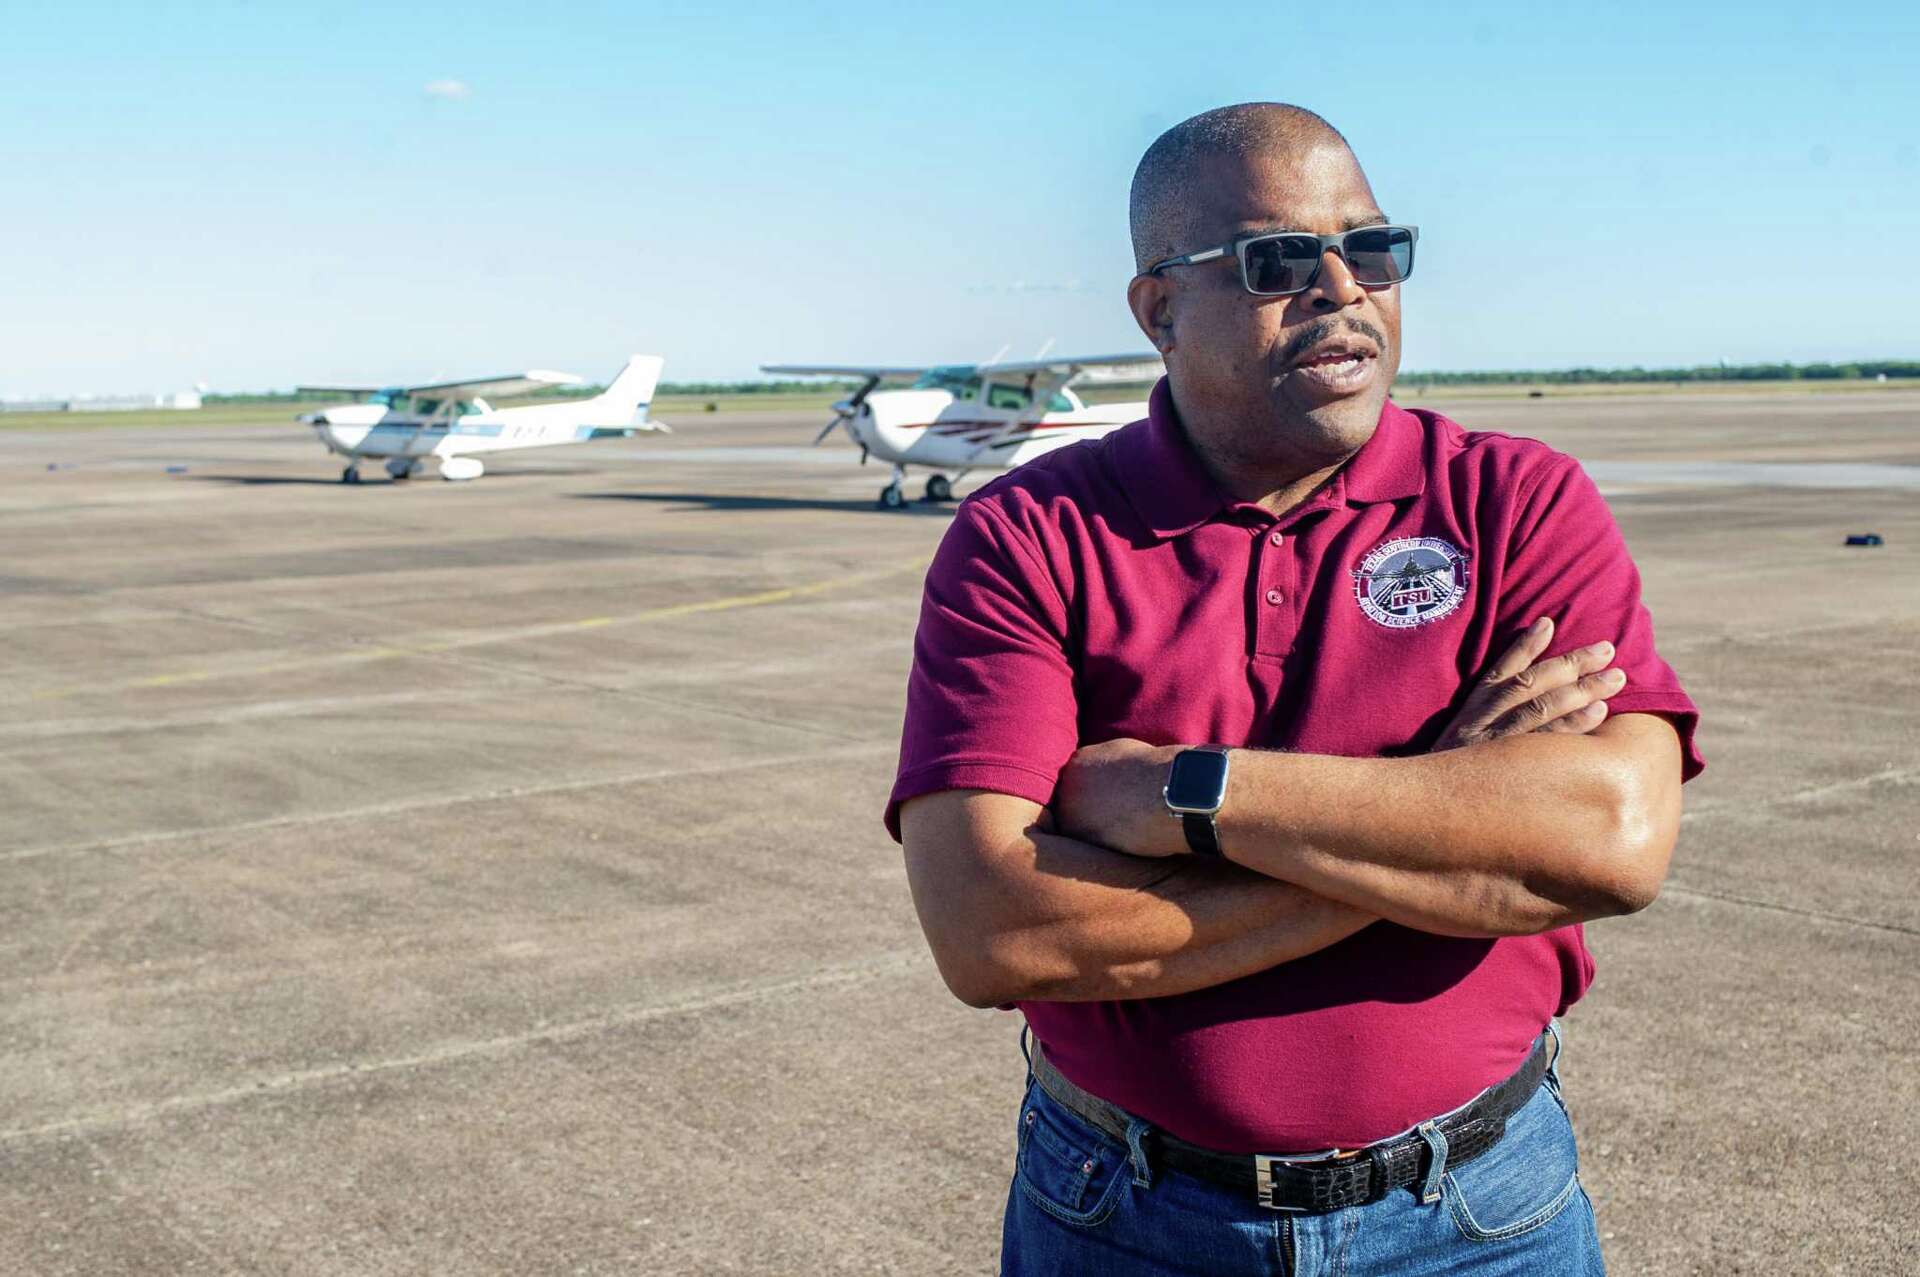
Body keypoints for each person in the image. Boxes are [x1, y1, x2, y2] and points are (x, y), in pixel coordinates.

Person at [887, 103, 1703, 1274]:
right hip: (1127, 1214)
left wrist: (1186, 795)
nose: (1342, 288)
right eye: (1276, 260)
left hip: (1478, 1211)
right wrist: (1451, 819)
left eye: (1372, 248)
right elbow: (992, 931)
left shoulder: (1518, 500)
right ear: (1159, 308)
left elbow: (1612, 840)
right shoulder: (1029, 534)